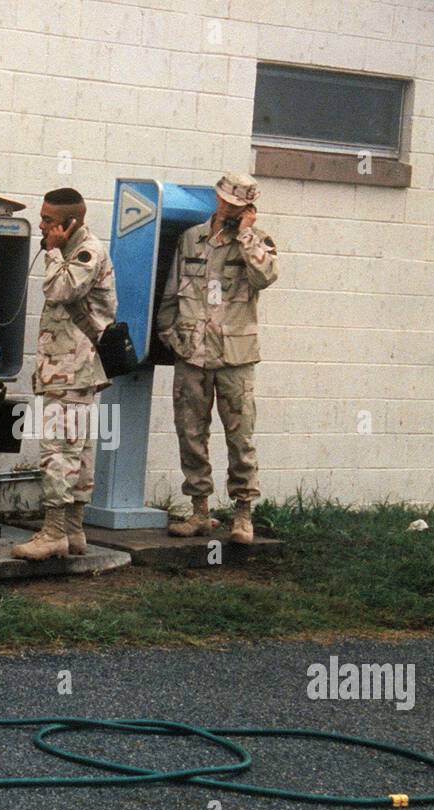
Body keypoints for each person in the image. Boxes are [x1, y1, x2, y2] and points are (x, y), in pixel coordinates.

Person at [155, 172, 279, 545]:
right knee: (191, 433)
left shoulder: (258, 242)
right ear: (217, 198)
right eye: (226, 202)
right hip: (192, 353)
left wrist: (246, 235)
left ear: (248, 209)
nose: (229, 209)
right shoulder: (191, 238)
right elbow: (172, 291)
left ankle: (243, 513)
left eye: (238, 206)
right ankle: (199, 511)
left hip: (234, 357)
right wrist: (170, 334)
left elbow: (265, 277)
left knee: (240, 437)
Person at [11, 188, 117, 560]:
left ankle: (54, 532)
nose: (41, 226)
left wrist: (53, 251)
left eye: (48, 221)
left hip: (72, 369)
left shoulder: (86, 252)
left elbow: (60, 290)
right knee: (78, 448)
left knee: (58, 449)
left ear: (70, 223)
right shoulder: (75, 251)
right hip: (68, 368)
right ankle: (73, 531)